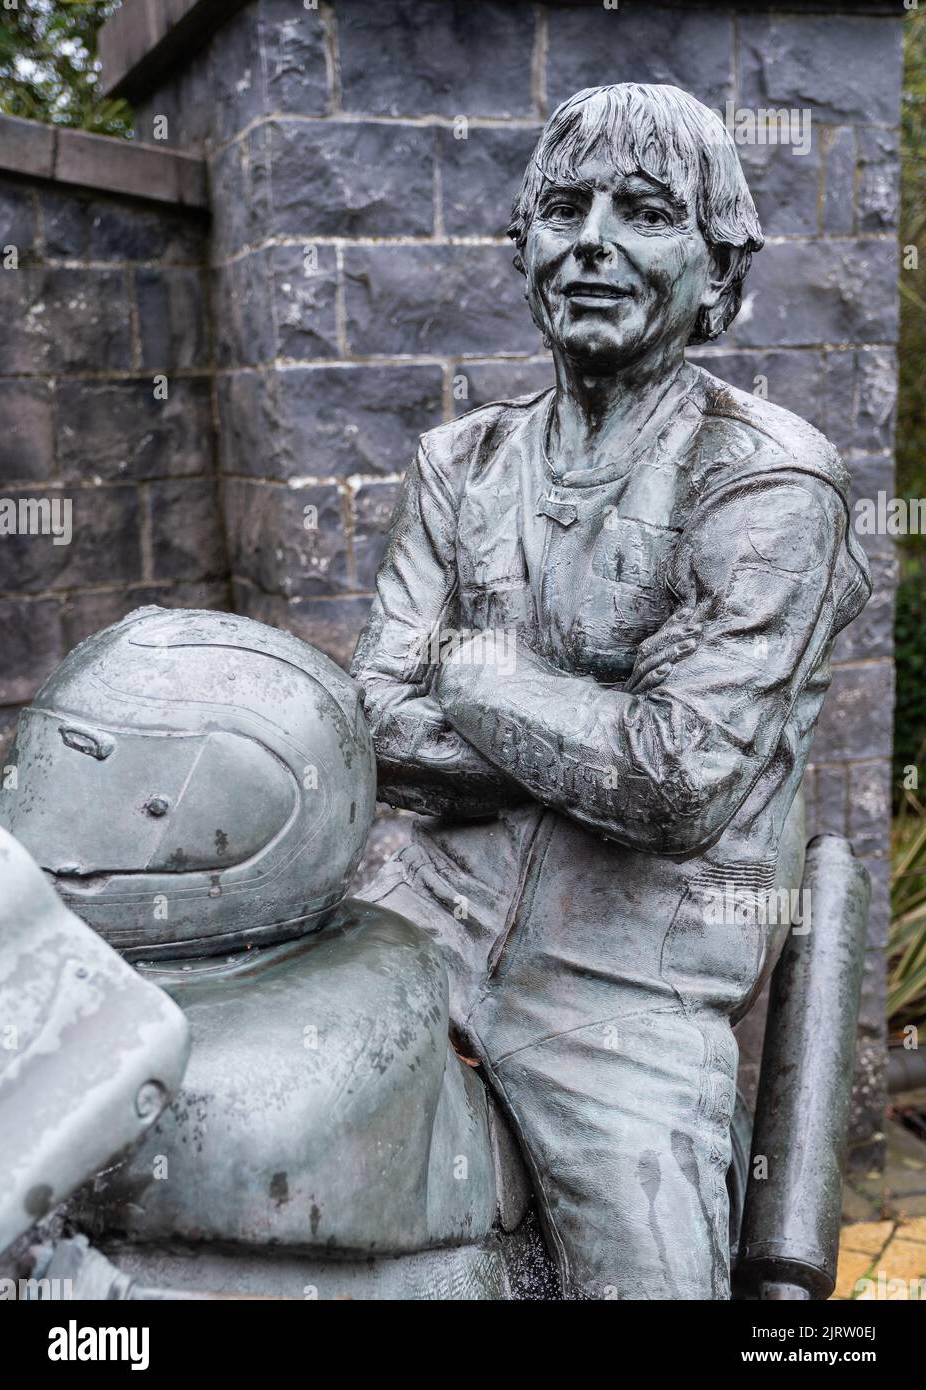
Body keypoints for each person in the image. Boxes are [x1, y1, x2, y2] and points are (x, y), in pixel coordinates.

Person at [351, 83, 871, 1299]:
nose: (590, 241)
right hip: (410, 919)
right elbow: (372, 716)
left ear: (717, 271)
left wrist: (475, 678)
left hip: (622, 996)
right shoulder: (459, 459)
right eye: (561, 209)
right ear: (524, 245)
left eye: (642, 211)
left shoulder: (769, 483)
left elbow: (678, 779)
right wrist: (587, 740)